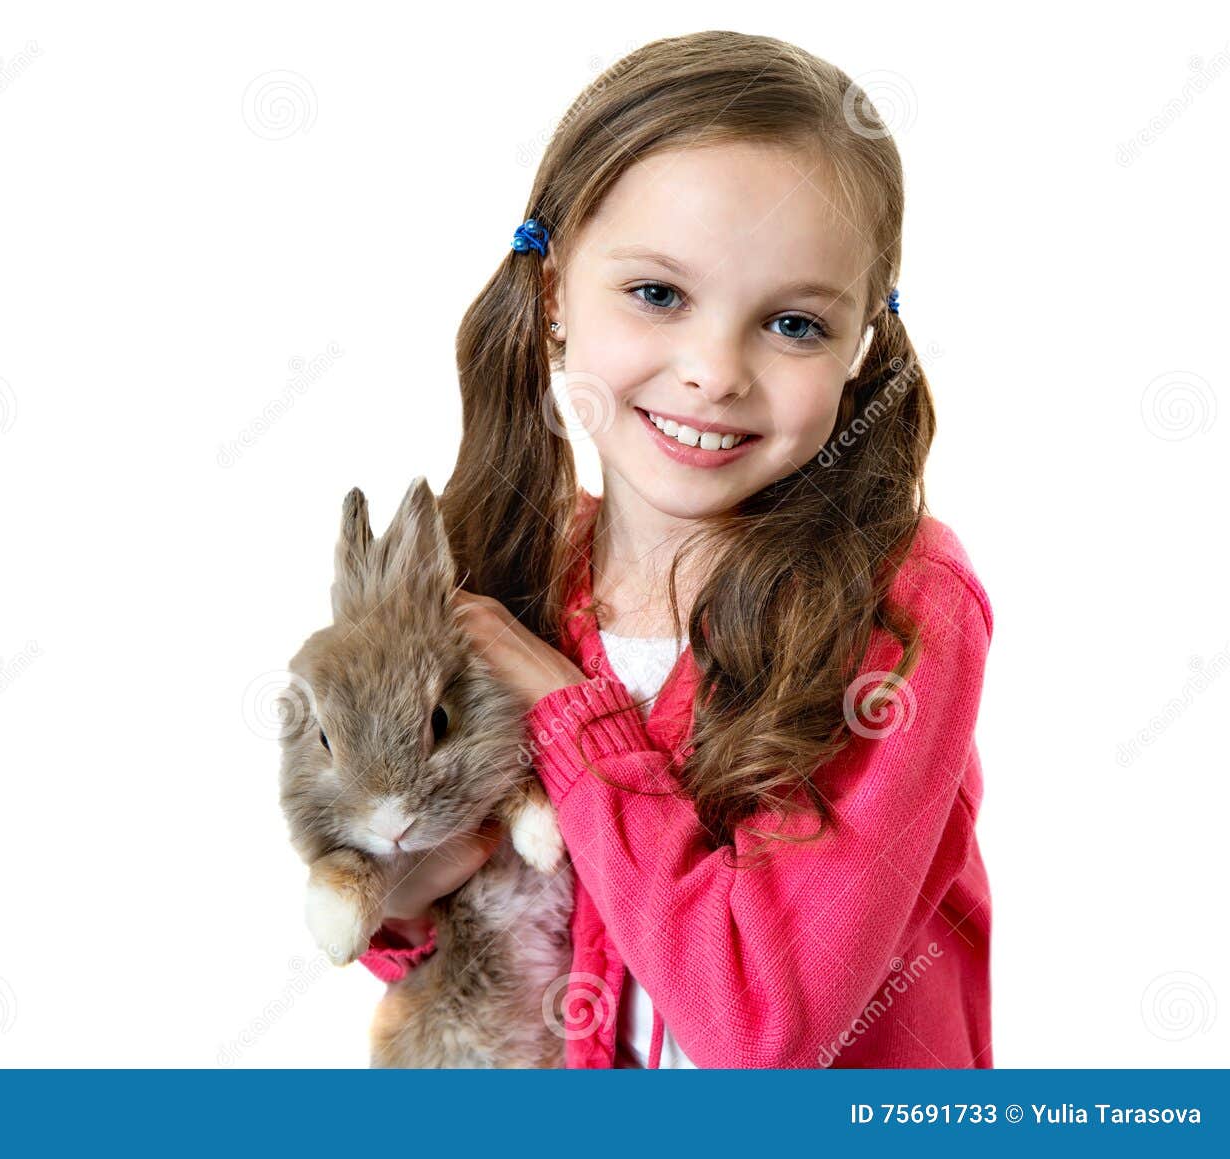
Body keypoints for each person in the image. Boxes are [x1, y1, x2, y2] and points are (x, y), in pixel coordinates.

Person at [357, 29, 993, 1069]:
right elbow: (487, 953)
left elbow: (763, 1025)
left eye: (794, 324)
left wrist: (570, 717)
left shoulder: (897, 609)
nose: (714, 371)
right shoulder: (509, 574)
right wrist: (408, 903)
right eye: (657, 294)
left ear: (861, 349)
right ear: (553, 293)